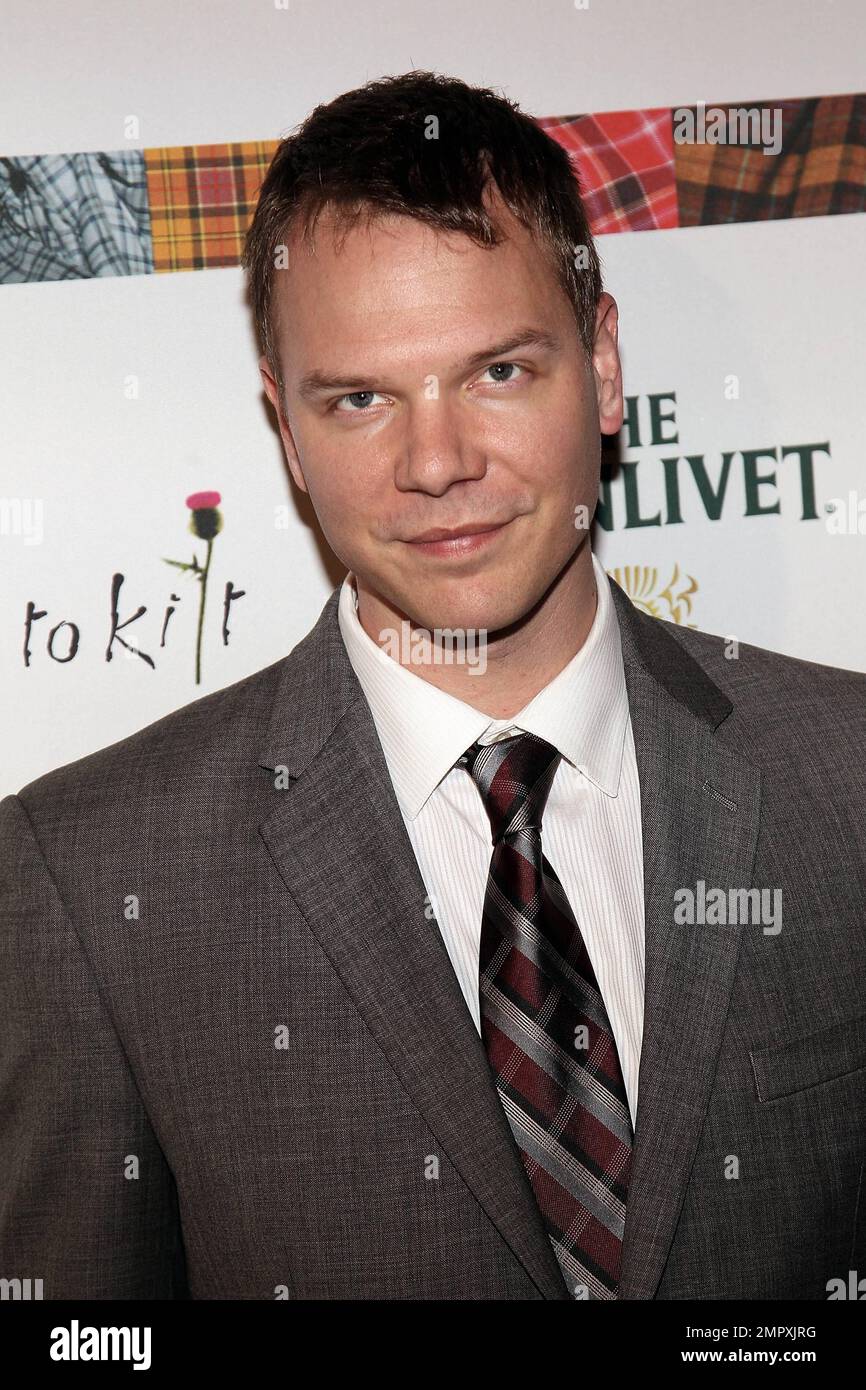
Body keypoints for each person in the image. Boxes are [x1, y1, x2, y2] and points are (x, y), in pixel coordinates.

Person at [1, 70, 864, 1302]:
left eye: (498, 373)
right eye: (360, 399)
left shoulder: (849, 775)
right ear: (285, 433)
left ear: (603, 368)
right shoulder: (88, 880)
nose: (437, 462)